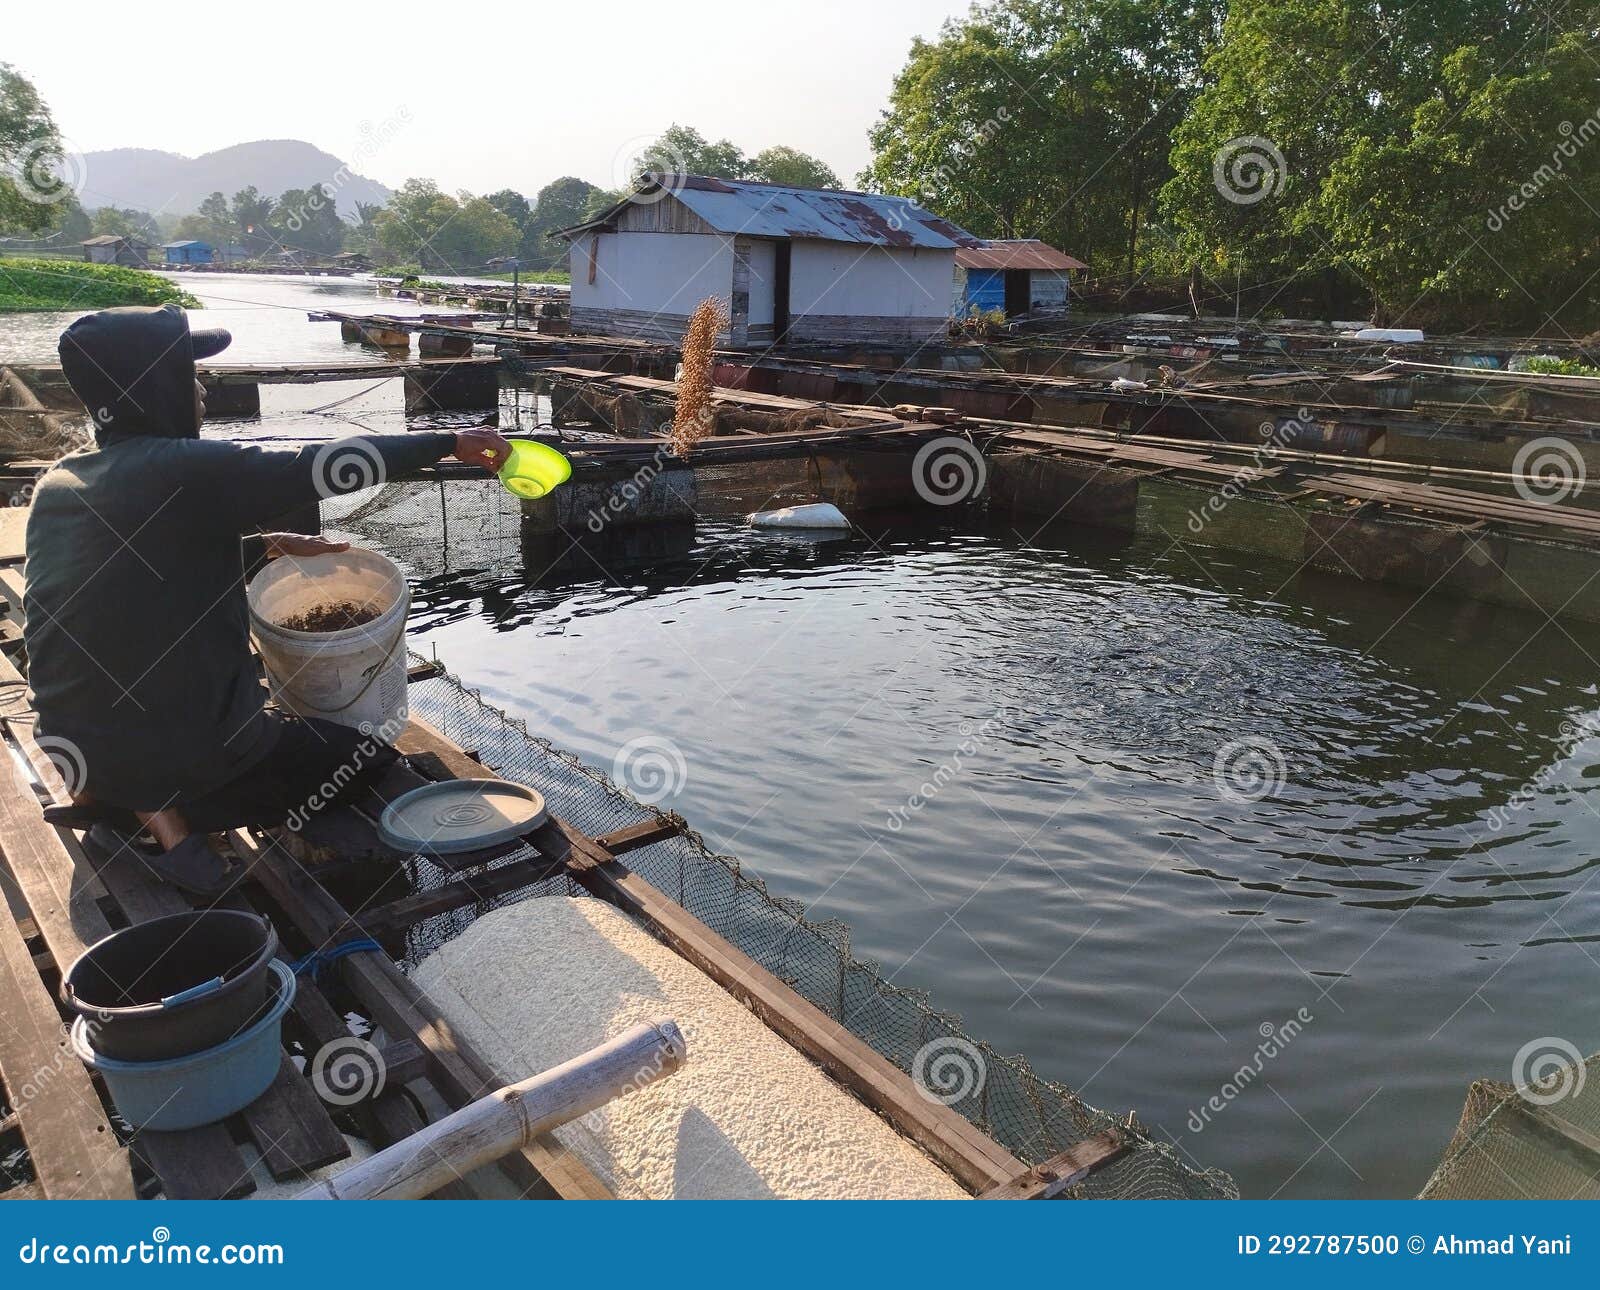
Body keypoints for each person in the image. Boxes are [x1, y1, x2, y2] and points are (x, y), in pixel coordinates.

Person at [24, 304, 510, 896]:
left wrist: (268, 545)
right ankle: (163, 828)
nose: (201, 388)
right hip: (178, 760)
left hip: (70, 743)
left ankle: (118, 800)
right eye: (187, 375)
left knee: (139, 708)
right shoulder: (183, 467)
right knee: (362, 758)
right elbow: (321, 466)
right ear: (154, 389)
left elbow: (144, 568)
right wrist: (451, 441)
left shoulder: (61, 481)